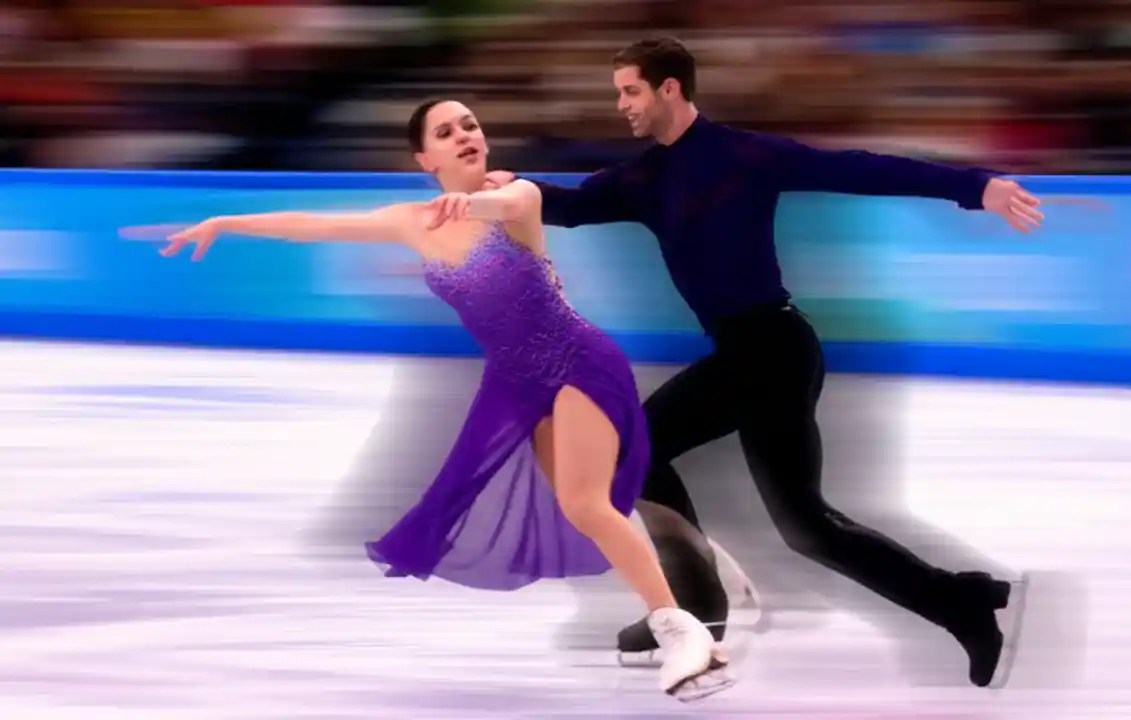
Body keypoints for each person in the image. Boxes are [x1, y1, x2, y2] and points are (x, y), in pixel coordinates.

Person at [477, 37, 1044, 689]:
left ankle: (701, 608)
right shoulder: (645, 178)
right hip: (753, 354)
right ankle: (960, 601)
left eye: (631, 91)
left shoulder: (744, 155)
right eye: (618, 93)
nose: (621, 105)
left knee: (640, 452)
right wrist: (513, 190)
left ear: (670, 89)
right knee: (808, 527)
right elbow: (572, 206)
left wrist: (977, 187)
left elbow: (860, 169)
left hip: (772, 350)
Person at [142, 98, 734, 702]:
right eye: (446, 132)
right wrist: (225, 223)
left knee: (587, 503)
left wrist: (469, 201)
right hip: (517, 380)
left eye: (471, 125)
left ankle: (680, 631)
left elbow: (504, 205)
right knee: (598, 495)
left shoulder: (518, 195)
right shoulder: (412, 219)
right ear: (425, 157)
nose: (465, 136)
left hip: (576, 361)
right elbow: (313, 224)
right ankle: (704, 562)